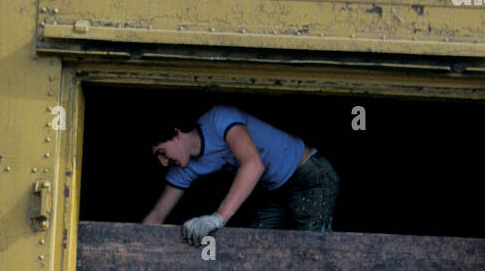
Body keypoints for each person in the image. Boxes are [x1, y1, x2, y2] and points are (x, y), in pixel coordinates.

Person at [143, 105, 340, 245]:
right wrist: (127, 250)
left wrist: (217, 218)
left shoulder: (218, 118)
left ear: (177, 133)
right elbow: (156, 216)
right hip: (277, 189)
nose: (163, 162)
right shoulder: (184, 168)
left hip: (309, 174)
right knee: (254, 245)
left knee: (313, 248)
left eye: (162, 152)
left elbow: (254, 165)